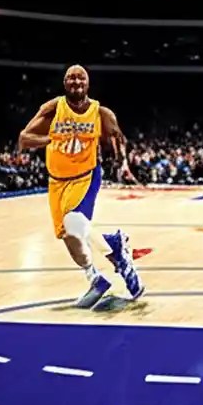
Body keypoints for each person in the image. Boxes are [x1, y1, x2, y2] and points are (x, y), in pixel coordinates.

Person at [18, 65, 145, 309]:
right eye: (70, 77)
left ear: (88, 83)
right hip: (57, 181)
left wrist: (123, 162)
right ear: (65, 83)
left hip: (86, 176)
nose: (76, 81)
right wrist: (50, 138)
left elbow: (118, 138)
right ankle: (95, 276)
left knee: (73, 222)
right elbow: (25, 138)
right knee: (70, 236)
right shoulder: (53, 109)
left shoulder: (100, 113)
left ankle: (117, 255)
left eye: (81, 77)